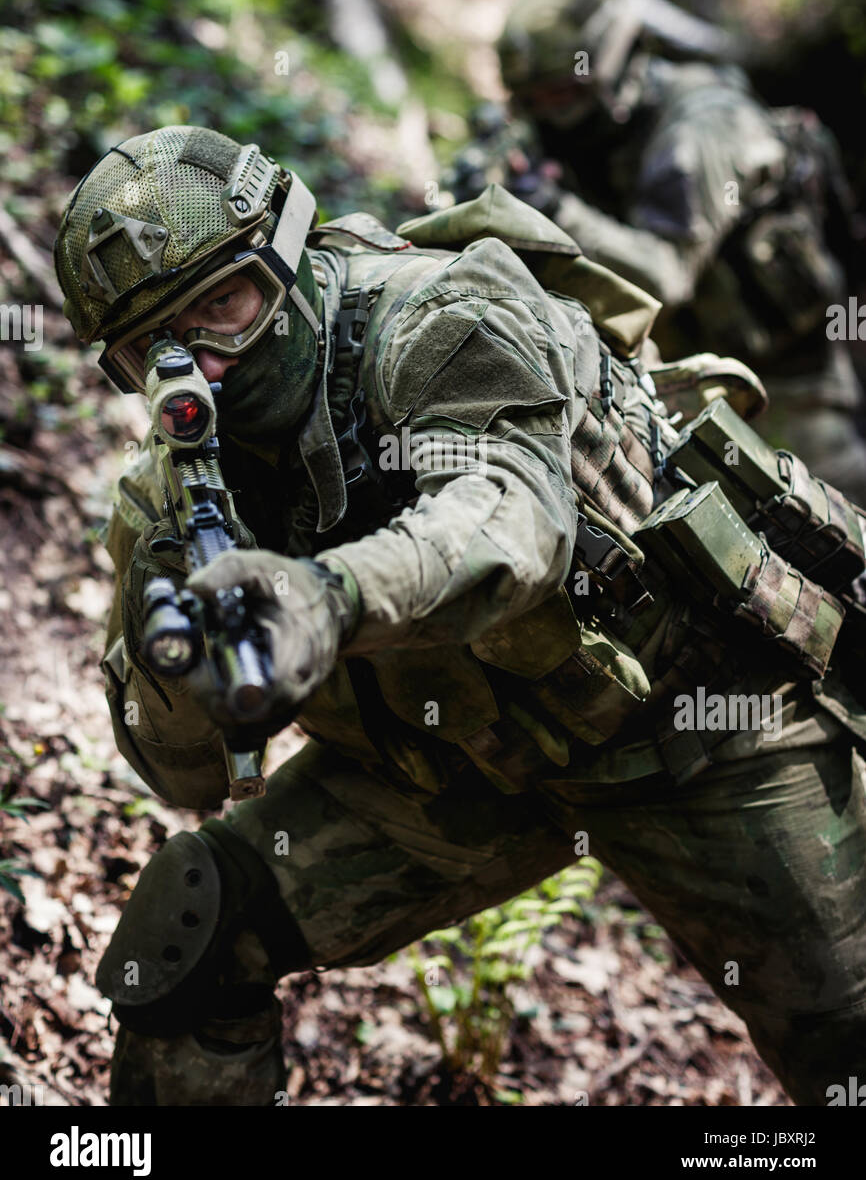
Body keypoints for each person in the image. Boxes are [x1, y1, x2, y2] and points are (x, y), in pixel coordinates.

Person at [53, 124, 866, 1107]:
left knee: (846, 1044)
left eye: (223, 305)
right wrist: (166, 658)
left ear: (290, 256)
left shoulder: (440, 319)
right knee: (189, 930)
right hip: (459, 766)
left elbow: (507, 522)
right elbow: (181, 776)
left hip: (688, 724)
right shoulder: (173, 494)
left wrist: (325, 596)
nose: (201, 365)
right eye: (155, 346)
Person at [449, 0, 866, 502]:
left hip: (787, 382)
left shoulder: (703, 127)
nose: (550, 114)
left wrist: (551, 207)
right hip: (677, 379)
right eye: (532, 99)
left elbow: (666, 277)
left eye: (563, 94)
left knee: (835, 525)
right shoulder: (578, 130)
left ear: (621, 63)